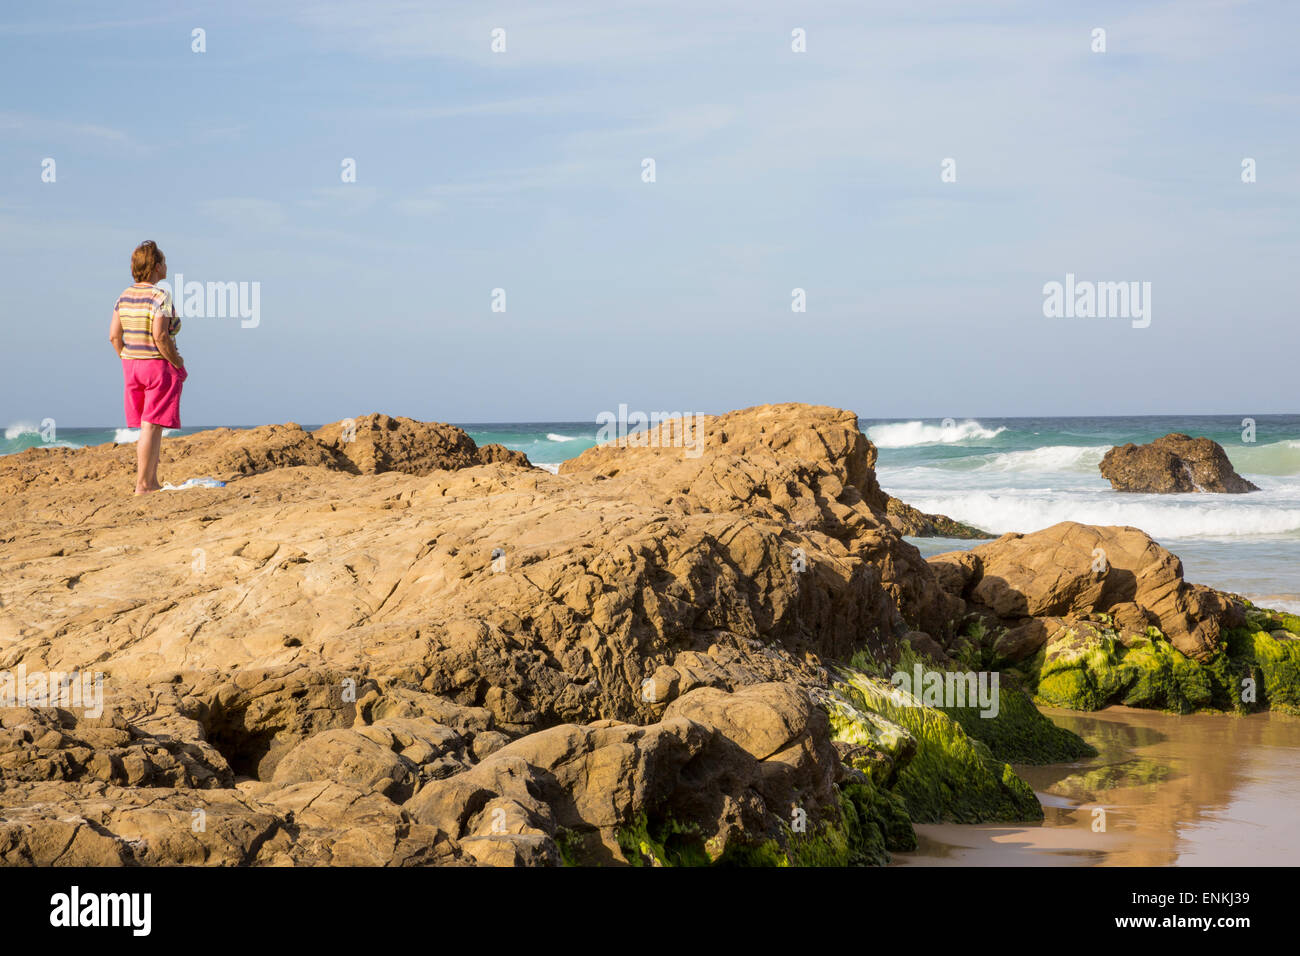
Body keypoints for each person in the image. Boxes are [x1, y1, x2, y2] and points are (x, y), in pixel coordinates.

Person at [108, 241, 187, 494]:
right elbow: (161, 336)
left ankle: (151, 481)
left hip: (131, 366)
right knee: (152, 425)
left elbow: (114, 336)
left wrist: (126, 357)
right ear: (155, 267)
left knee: (148, 424)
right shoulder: (160, 296)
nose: (166, 266)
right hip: (155, 365)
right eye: (163, 262)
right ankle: (144, 484)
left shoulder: (124, 296)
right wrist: (177, 362)